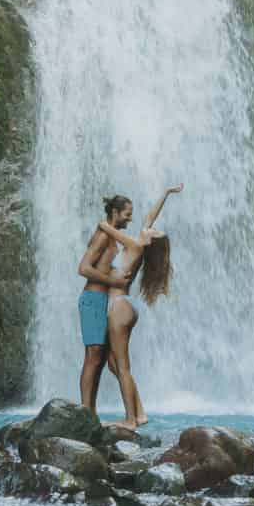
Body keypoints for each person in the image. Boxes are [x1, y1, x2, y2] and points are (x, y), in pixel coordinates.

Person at [92, 183, 181, 429]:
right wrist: (166, 193)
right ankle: (140, 413)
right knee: (114, 363)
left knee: (122, 366)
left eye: (155, 232)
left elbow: (107, 229)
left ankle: (130, 420)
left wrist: (105, 220)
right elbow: (151, 216)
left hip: (119, 306)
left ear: (152, 242)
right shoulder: (141, 242)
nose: (152, 228)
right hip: (125, 305)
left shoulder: (135, 245)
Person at [77, 194, 135, 412]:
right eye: (127, 215)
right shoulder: (103, 235)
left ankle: (91, 411)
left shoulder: (113, 237)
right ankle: (85, 412)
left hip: (104, 300)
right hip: (92, 300)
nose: (130, 220)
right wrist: (113, 279)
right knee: (93, 356)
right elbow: (83, 267)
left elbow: (100, 267)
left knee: (101, 359)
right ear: (115, 213)